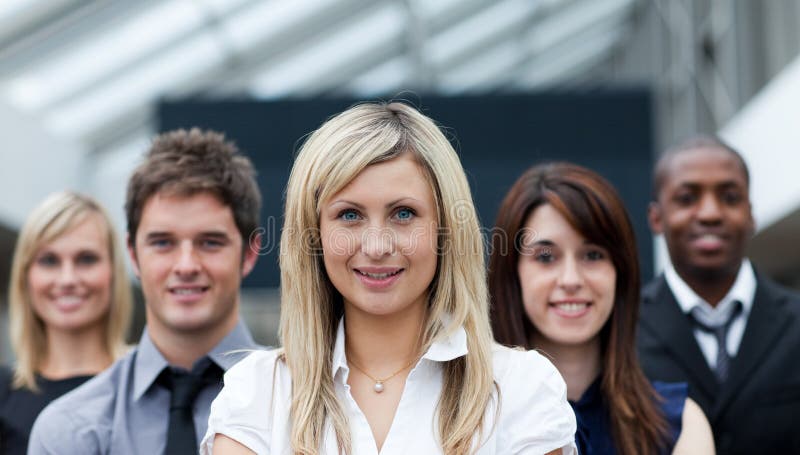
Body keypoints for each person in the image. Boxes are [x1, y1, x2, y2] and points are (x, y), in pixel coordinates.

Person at [201, 102, 577, 454]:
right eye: (349, 215)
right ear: (313, 233)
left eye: (403, 214)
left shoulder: (520, 389)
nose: (377, 245)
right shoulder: (256, 393)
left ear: (445, 229)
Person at [28, 128, 263, 455]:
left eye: (210, 242)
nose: (185, 265)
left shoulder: (307, 407)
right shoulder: (69, 430)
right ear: (133, 253)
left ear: (250, 253)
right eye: (163, 242)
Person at [489, 162, 715, 454]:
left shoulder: (680, 421)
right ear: (512, 275)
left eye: (592, 255)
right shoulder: (471, 419)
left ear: (620, 271)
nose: (571, 280)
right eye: (546, 257)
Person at [638, 136, 800, 454]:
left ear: (751, 213)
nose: (710, 213)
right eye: (687, 198)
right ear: (656, 218)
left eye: (729, 197)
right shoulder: (622, 327)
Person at [0, 191, 132, 455]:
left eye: (86, 259)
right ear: (26, 276)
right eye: (49, 261)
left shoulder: (148, 385)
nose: (68, 279)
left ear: (113, 272)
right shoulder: (3, 393)